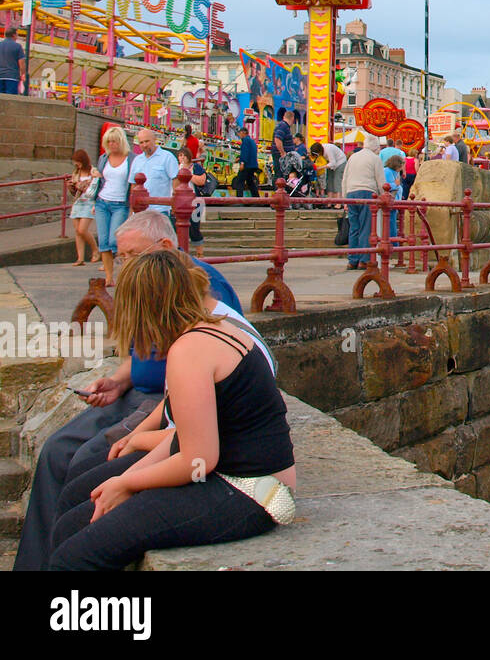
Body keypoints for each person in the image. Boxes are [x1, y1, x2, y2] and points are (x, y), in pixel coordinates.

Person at [13, 211, 252, 571]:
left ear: (166, 247)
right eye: (122, 257)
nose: (124, 266)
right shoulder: (153, 284)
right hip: (138, 394)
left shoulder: (197, 288)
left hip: (164, 402)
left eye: (131, 256)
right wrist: (119, 380)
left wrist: (136, 450)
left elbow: (197, 433)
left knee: (87, 462)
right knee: (55, 450)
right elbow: (142, 352)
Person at [46, 249, 294, 571]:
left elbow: (198, 460)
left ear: (143, 308)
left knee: (73, 558)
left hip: (248, 491)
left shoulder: (190, 351)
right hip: (228, 476)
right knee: (75, 512)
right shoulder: (209, 330)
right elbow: (186, 438)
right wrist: (129, 475)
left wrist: (127, 484)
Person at [94, 126, 133, 287]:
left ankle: (125, 273)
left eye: (114, 141)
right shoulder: (104, 158)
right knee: (103, 242)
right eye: (108, 141)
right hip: (102, 201)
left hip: (120, 204)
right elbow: (101, 181)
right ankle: (109, 277)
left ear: (121, 141)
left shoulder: (131, 159)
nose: (111, 144)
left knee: (114, 240)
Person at [341, 133, 385, 270]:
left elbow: (345, 178)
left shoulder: (353, 157)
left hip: (351, 192)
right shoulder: (375, 158)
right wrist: (384, 197)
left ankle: (352, 259)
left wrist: (343, 199)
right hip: (367, 192)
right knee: (366, 227)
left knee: (354, 227)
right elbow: (380, 180)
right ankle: (364, 260)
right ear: (376, 147)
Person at [68, 149, 101, 266]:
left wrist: (81, 186)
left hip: (89, 202)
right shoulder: (76, 172)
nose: (76, 164)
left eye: (78, 162)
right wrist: (71, 186)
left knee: (83, 229)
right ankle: (80, 258)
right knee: (78, 231)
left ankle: (95, 250)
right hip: (78, 202)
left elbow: (95, 187)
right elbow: (74, 191)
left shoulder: (93, 171)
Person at [174, 149, 207, 257]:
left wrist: (187, 174)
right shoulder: (175, 168)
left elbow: (201, 181)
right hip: (181, 201)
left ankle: (200, 253)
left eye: (184, 155)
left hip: (196, 202)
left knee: (194, 228)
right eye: (180, 155)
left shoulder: (196, 167)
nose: (182, 157)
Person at [234, 125, 260, 197]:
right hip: (253, 165)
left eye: (239, 133)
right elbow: (250, 152)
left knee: (239, 181)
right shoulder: (251, 141)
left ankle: (239, 200)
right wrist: (239, 158)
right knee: (250, 182)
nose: (239, 135)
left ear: (243, 133)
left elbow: (245, 152)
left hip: (247, 165)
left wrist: (242, 163)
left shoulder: (245, 140)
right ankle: (257, 199)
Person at [383, 153, 404, 241]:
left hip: (394, 201)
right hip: (390, 201)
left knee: (392, 222)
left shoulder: (394, 172)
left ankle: (393, 240)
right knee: (391, 223)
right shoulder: (388, 172)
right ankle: (393, 241)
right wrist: (396, 185)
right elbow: (386, 185)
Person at [0, 24, 26, 94]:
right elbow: (21, 63)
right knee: (10, 99)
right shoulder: (17, 46)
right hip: (12, 77)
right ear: (14, 35)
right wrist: (23, 74)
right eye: (17, 35)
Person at [271, 108, 294, 186]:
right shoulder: (283, 126)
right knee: (280, 176)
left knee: (281, 175)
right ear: (292, 118)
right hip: (280, 156)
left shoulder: (283, 126)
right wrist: (283, 153)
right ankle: (278, 194)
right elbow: (277, 139)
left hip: (281, 155)